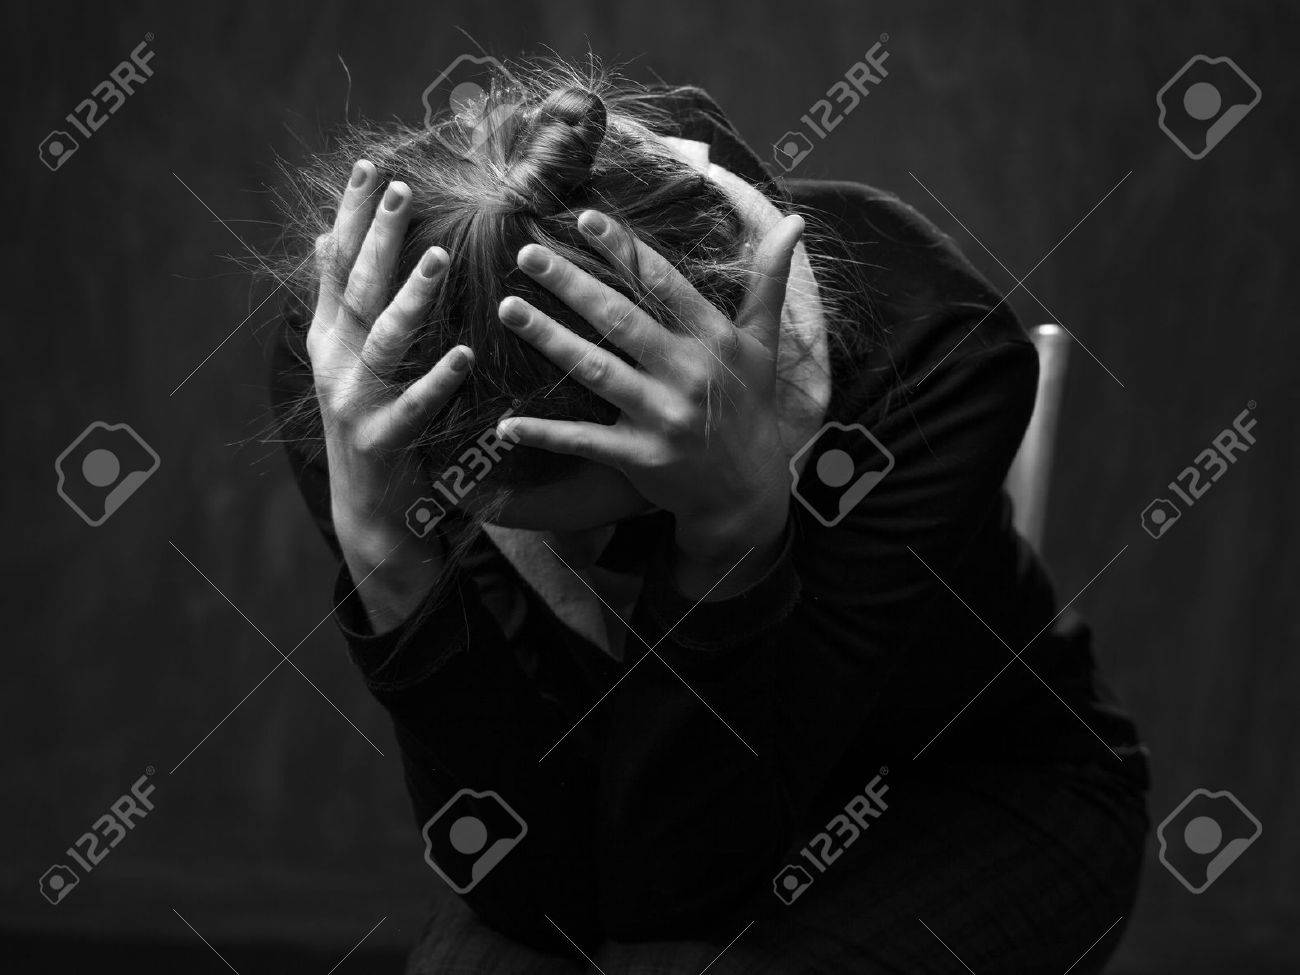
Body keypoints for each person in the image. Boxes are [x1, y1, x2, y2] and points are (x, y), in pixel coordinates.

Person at [269, 62, 1149, 974]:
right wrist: (388, 552)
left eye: (595, 527)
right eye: (502, 522)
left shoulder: (933, 358)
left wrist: (730, 532)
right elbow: (530, 886)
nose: (570, 556)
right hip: (607, 815)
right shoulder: (358, 372)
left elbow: (675, 890)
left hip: (965, 782)